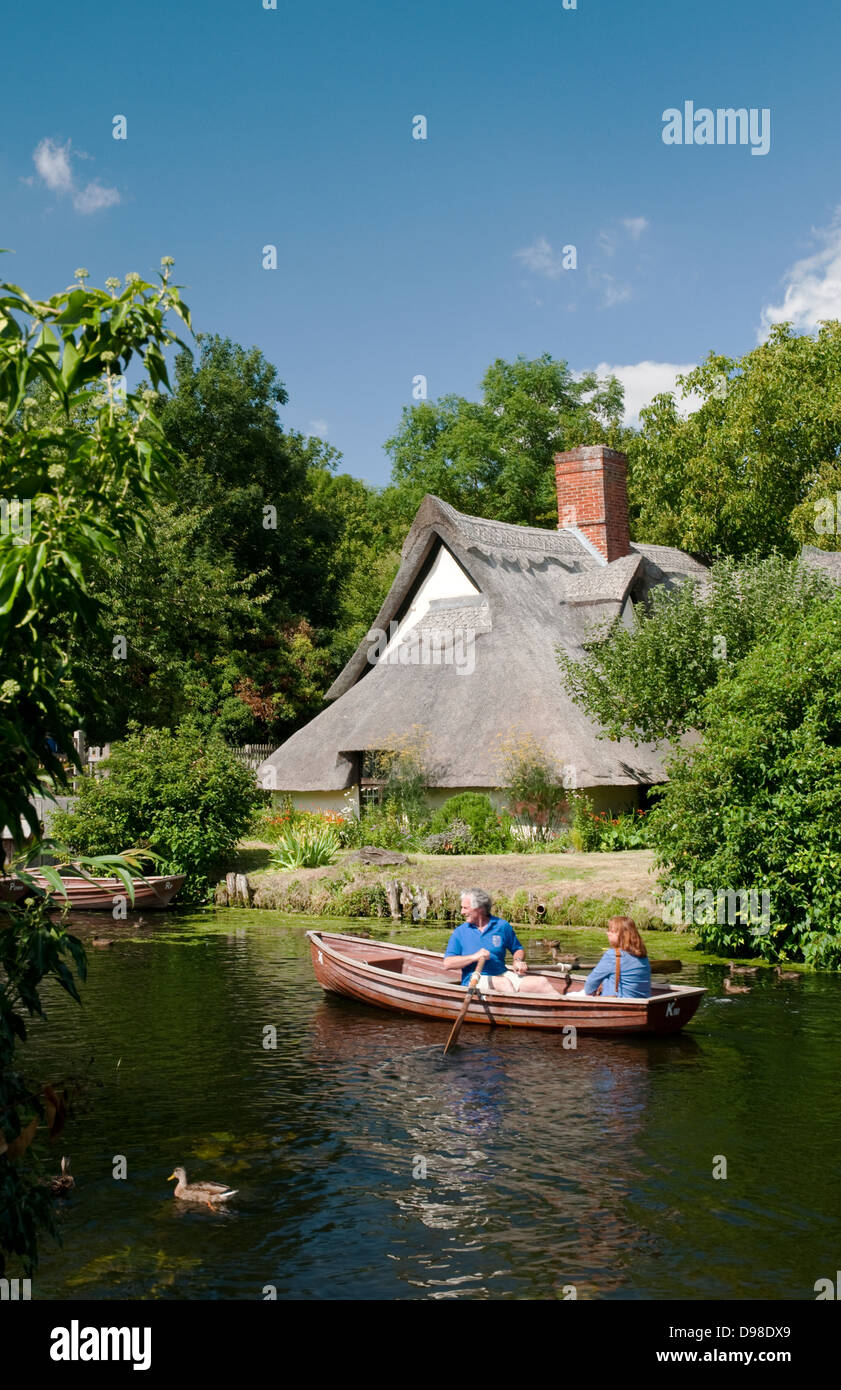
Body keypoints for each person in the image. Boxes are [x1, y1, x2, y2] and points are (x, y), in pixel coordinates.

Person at [443, 888, 559, 996]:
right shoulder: (460, 932)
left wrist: (517, 960)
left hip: (502, 974)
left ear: (480, 908)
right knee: (503, 983)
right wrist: (474, 957)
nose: (462, 912)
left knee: (541, 982)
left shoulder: (502, 926)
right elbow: (448, 963)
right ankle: (517, 1013)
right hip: (474, 979)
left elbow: (517, 949)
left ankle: (565, 1010)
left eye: (465, 908)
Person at [578, 916, 651, 999]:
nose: (607, 933)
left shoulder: (613, 955)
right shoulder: (643, 955)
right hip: (642, 1001)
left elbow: (589, 985)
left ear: (623, 935)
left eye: (611, 931)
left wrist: (592, 992)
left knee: (572, 995)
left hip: (619, 1004)